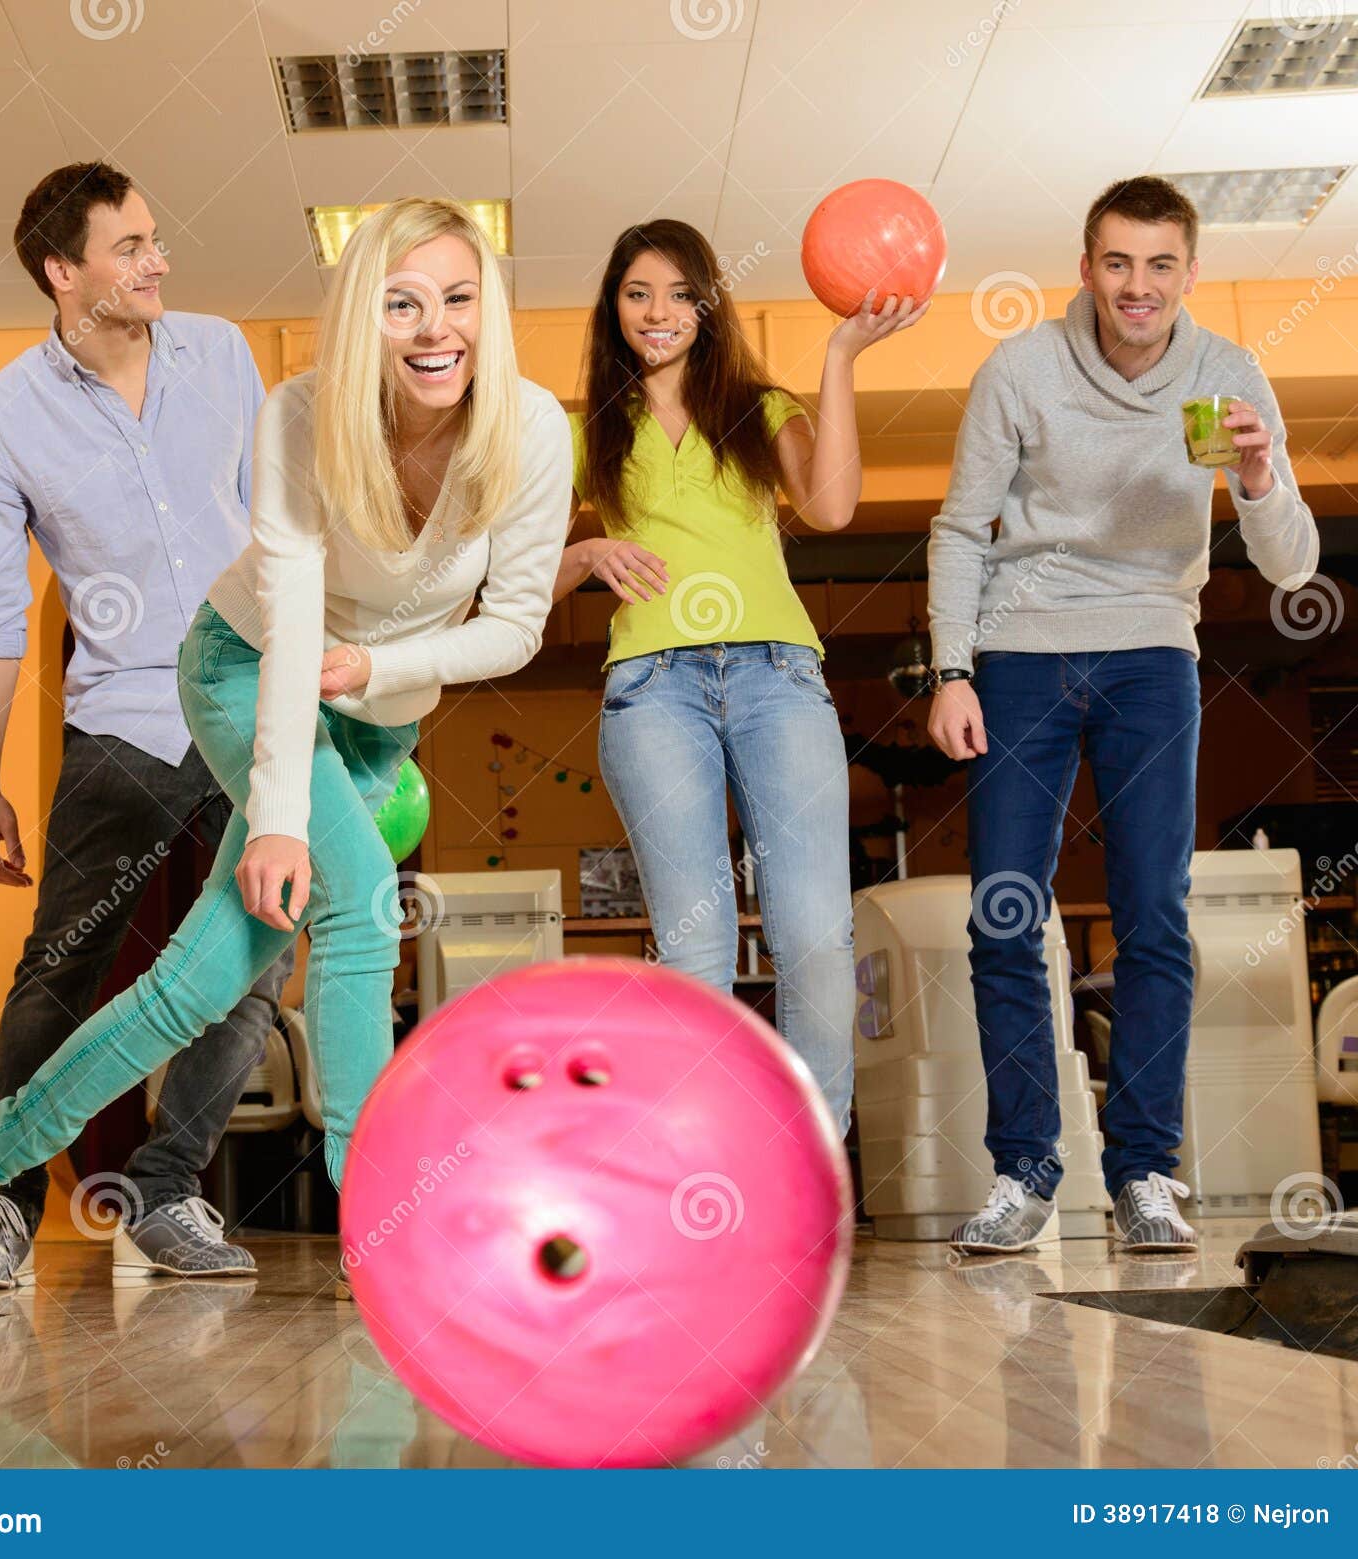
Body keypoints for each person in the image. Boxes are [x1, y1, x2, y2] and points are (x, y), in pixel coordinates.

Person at [0, 195, 572, 1301]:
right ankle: (385, 1226)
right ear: (364, 315)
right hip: (246, 663)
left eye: (457, 298)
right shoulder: (303, 414)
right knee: (353, 909)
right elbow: (294, 606)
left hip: (370, 701)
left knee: (202, 981)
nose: (433, 328)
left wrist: (374, 674)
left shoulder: (532, 428)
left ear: (489, 310)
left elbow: (514, 627)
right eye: (400, 303)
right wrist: (274, 815)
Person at [930, 176, 1319, 1255]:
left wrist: (1254, 472)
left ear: (1188, 273)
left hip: (1154, 650)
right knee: (1003, 914)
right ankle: (1025, 1170)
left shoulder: (1226, 374)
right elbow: (961, 528)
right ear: (1088, 267)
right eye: (1116, 263)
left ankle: (1145, 1170)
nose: (1136, 287)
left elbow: (1293, 564)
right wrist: (951, 669)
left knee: (1154, 914)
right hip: (1019, 652)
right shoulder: (1020, 369)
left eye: (1158, 266)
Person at [0, 160, 296, 1289]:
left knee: (254, 953)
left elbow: (279, 528)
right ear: (63, 270)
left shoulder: (222, 352)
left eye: (156, 238)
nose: (159, 260)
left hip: (249, 702)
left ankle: (164, 1187)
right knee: (62, 964)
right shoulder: (2, 417)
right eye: (130, 245)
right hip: (123, 720)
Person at [550, 219, 925, 1130]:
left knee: (812, 937)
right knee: (695, 947)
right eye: (638, 293)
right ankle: (704, 1154)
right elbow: (508, 577)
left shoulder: (764, 411)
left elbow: (831, 505)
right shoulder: (578, 430)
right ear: (613, 309)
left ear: (710, 306)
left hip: (777, 678)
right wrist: (590, 551)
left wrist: (840, 355)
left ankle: (807, 1154)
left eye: (681, 293)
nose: (659, 312)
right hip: (651, 686)